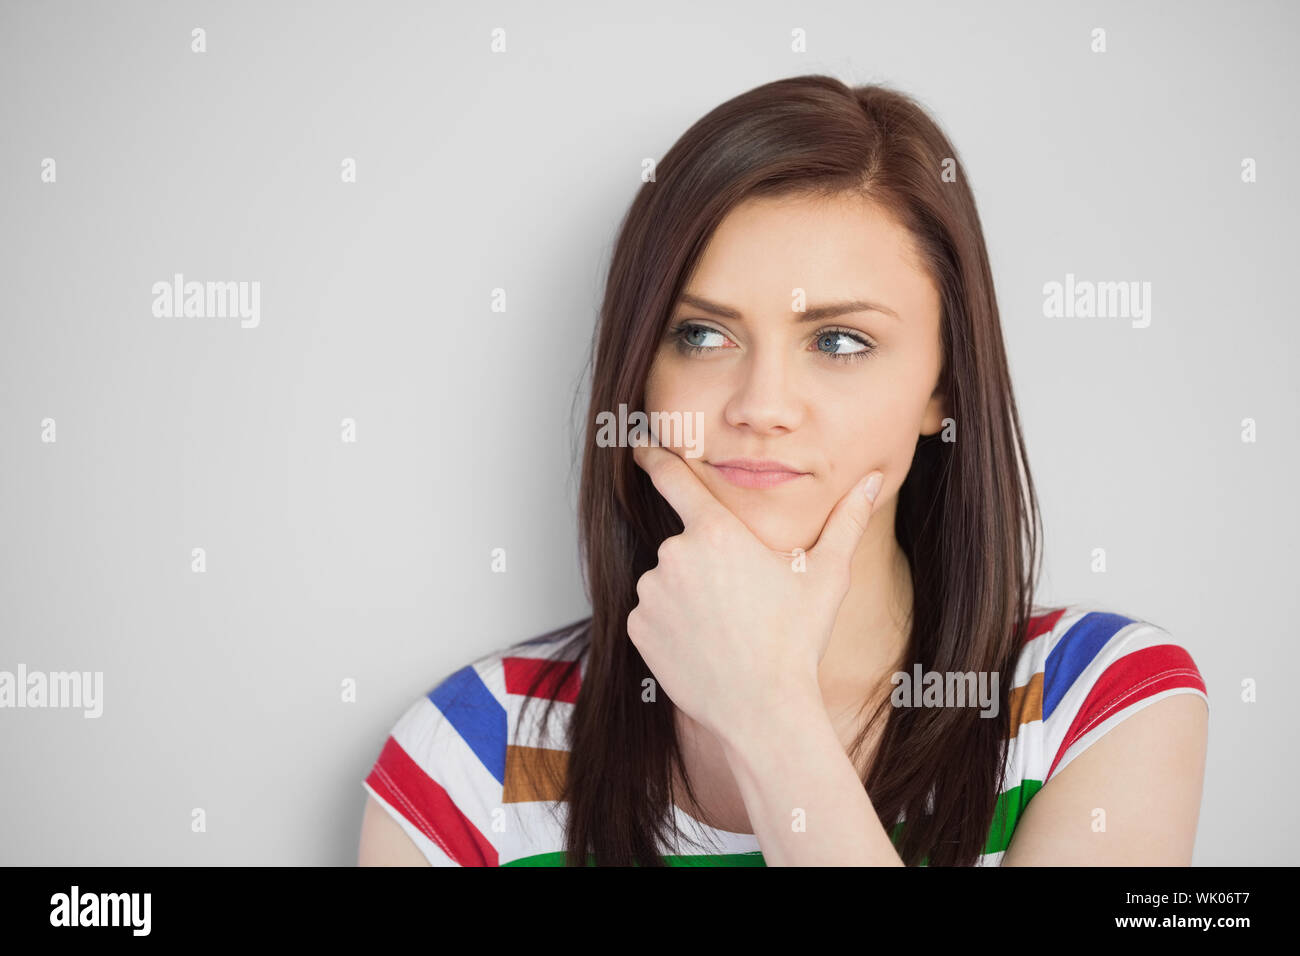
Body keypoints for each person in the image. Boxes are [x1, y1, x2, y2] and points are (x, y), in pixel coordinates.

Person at [357, 75, 1208, 866]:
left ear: (941, 390)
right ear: (640, 374)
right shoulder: (469, 757)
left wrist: (768, 715)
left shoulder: (1098, 702)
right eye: (702, 335)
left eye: (840, 342)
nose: (761, 405)